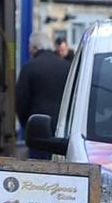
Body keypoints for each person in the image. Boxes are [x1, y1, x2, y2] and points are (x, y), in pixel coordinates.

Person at [14, 28, 73, 160]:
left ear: (34, 48)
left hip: (38, 133)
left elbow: (21, 101)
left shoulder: (29, 68)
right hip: (64, 131)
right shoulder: (67, 67)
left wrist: (28, 126)